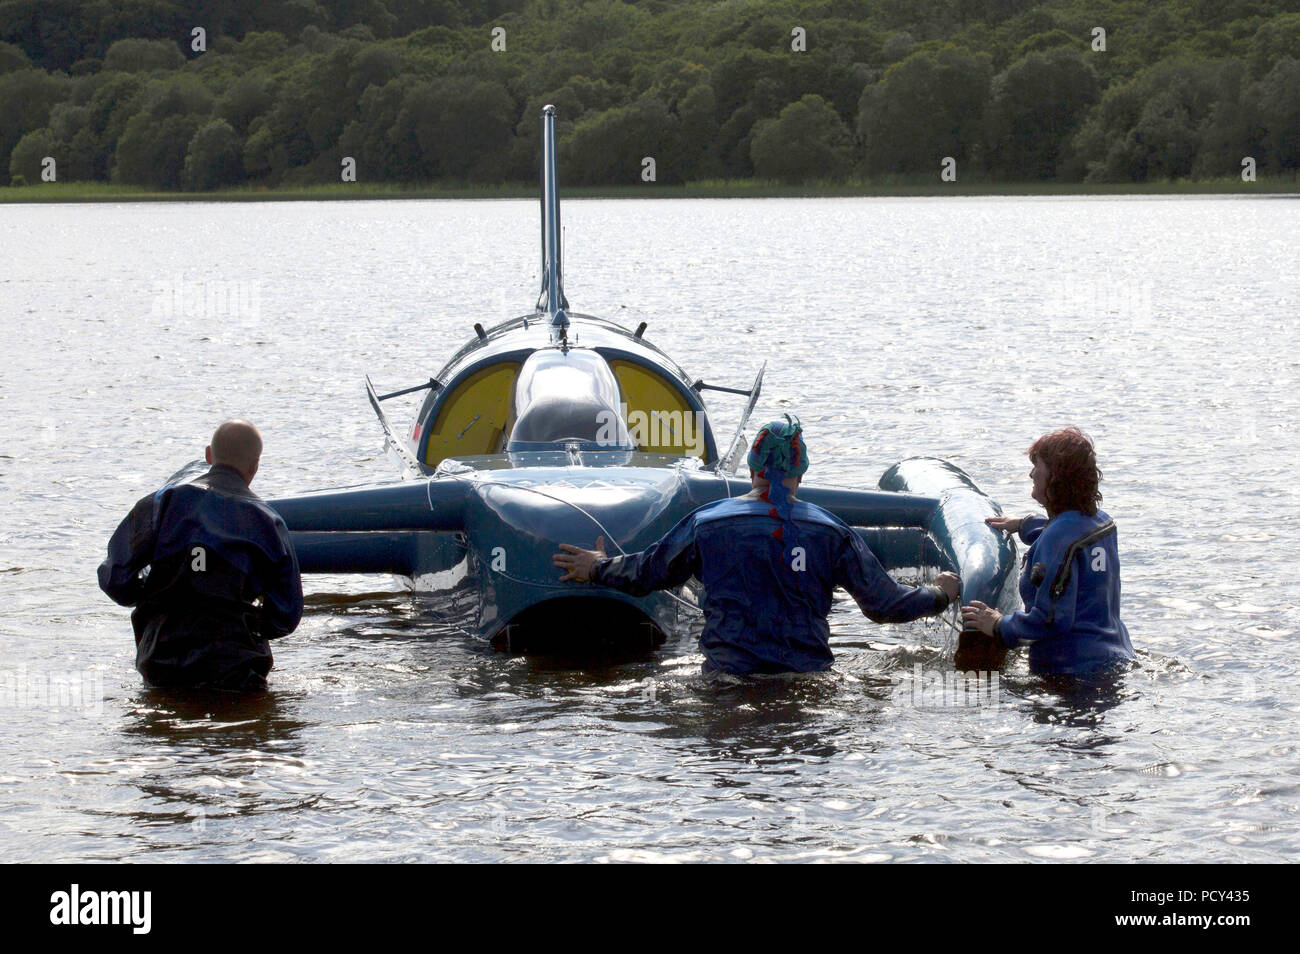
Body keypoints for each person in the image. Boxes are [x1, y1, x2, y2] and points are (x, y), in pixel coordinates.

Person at [553, 416, 961, 675]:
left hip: (729, 677)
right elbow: (885, 606)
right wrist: (940, 594)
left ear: (751, 468)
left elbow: (647, 573)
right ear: (801, 473)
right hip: (804, 677)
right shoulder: (833, 532)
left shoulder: (706, 523)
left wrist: (597, 566)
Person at [98, 420, 303, 690]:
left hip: (162, 661)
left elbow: (114, 578)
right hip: (237, 668)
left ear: (209, 455)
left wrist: (155, 600)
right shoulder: (268, 523)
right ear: (255, 465)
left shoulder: (160, 504)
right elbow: (285, 616)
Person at [961, 426, 1134, 675]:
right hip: (1114, 655)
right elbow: (1068, 537)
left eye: (1037, 466)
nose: (1031, 474)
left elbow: (1049, 620)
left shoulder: (1059, 539)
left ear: (1057, 477)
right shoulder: (1102, 524)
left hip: (1073, 672)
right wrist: (1025, 524)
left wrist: (999, 624)